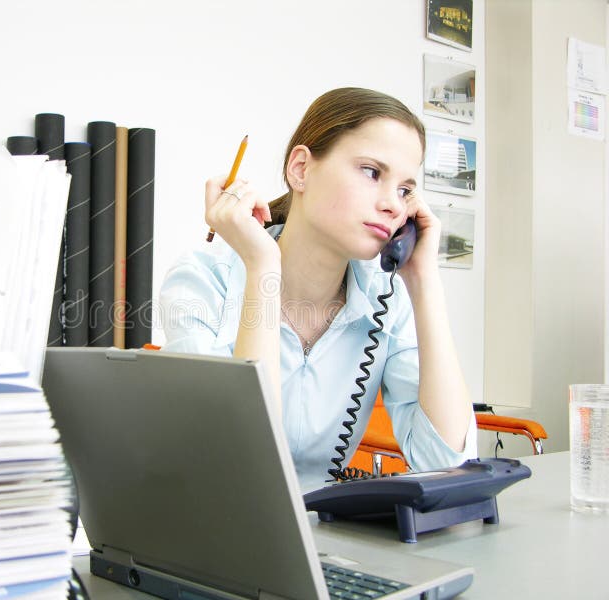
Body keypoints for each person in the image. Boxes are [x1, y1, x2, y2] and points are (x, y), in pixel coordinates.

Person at [159, 87, 477, 492]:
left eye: (405, 190)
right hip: (215, 532)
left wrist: (424, 284)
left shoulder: (386, 298)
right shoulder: (201, 279)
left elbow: (450, 463)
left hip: (326, 539)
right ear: (301, 169)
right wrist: (262, 267)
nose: (393, 206)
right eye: (371, 172)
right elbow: (241, 466)